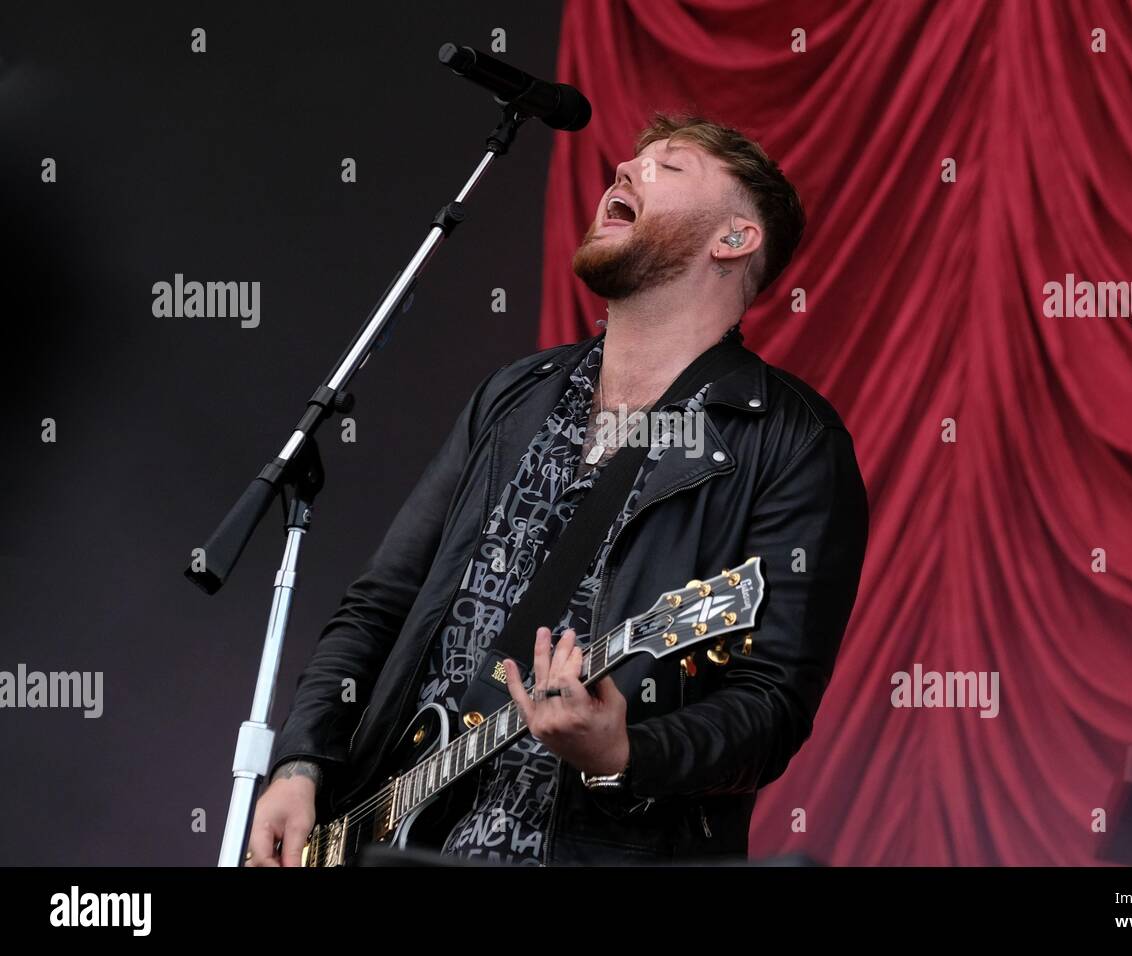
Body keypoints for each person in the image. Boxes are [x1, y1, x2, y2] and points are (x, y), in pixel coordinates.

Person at [247, 113, 868, 866]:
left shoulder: (791, 442)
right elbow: (379, 606)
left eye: (668, 168)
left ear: (733, 240)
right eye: (630, 162)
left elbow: (770, 705)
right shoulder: (516, 397)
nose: (625, 171)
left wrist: (624, 751)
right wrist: (301, 762)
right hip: (390, 833)